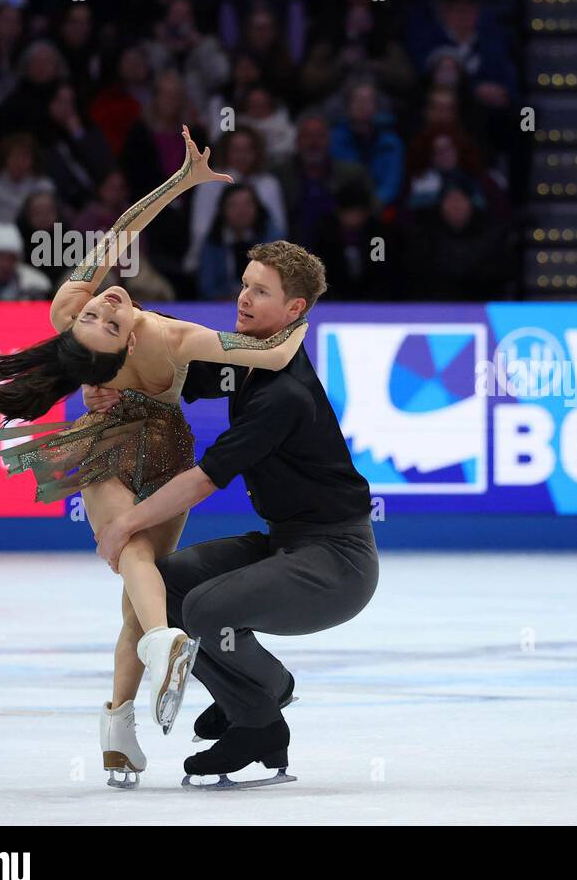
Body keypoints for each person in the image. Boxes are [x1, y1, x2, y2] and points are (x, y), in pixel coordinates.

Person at [0, 127, 313, 788]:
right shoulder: (164, 335)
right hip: (106, 446)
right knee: (138, 561)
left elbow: (120, 232)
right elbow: (271, 352)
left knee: (134, 597)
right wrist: (300, 316)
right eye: (107, 318)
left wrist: (179, 181)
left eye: (105, 309)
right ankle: (163, 644)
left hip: (168, 451)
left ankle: (119, 727)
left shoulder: (93, 311)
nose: (111, 301)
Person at [91, 240, 379, 789]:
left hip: (338, 562)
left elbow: (204, 479)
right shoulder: (240, 361)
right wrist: (112, 393)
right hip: (287, 542)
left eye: (261, 291)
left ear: (295, 310)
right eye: (245, 284)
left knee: (203, 609)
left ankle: (260, 722)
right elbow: (168, 370)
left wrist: (125, 524)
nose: (243, 298)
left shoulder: (283, 395)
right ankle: (260, 689)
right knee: (167, 585)